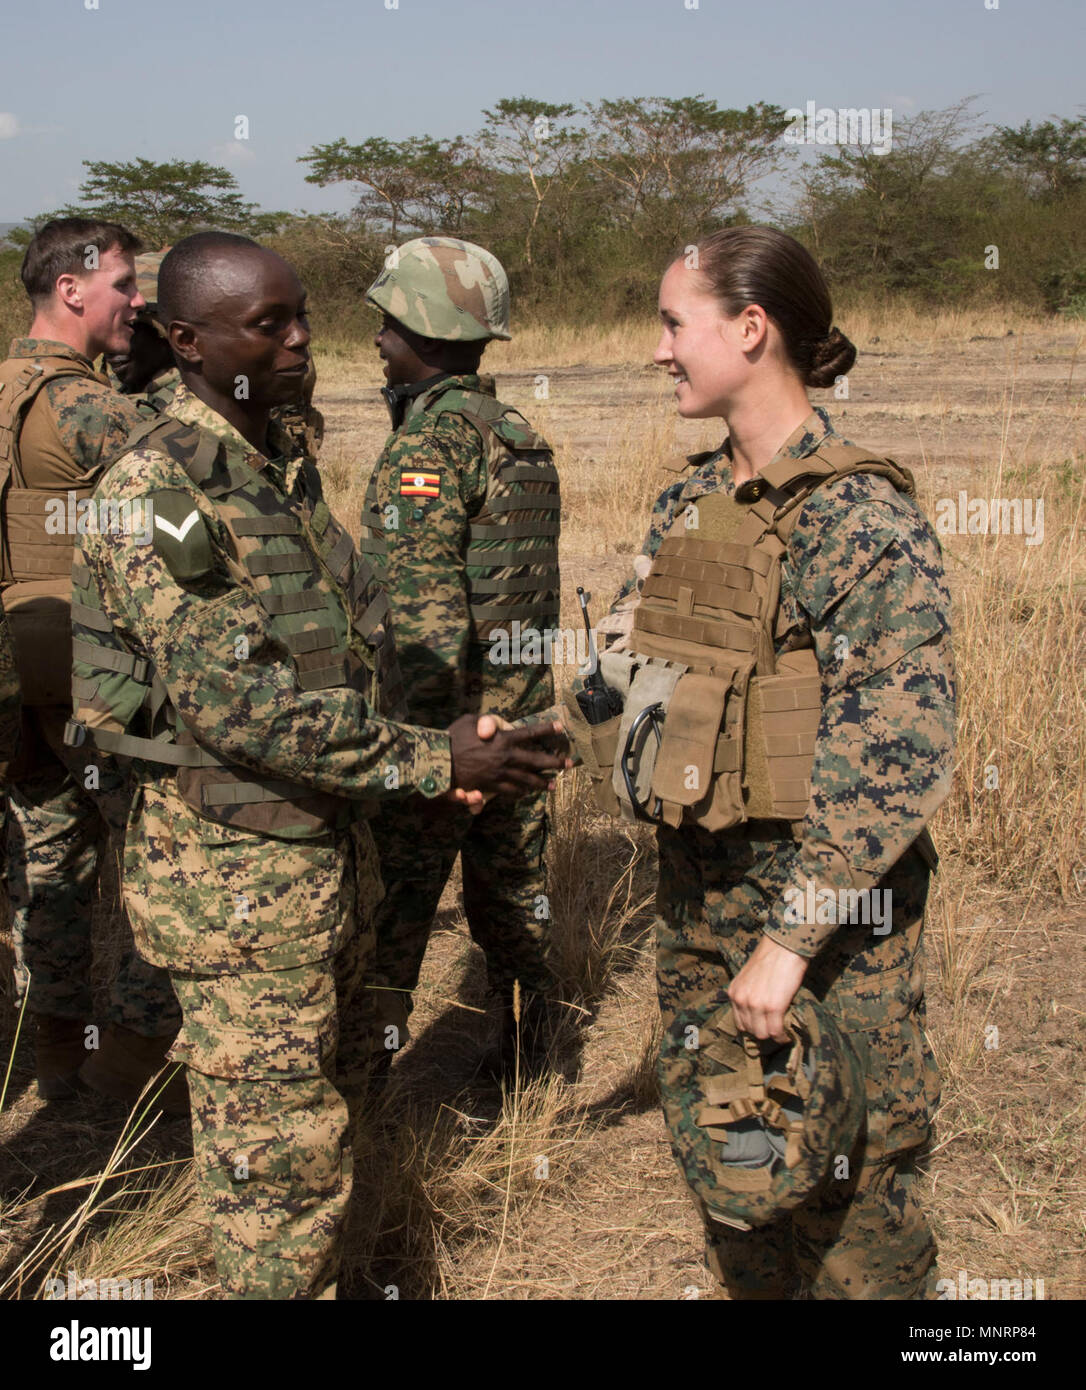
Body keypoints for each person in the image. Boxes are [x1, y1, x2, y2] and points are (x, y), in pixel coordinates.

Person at [67, 230, 568, 1298]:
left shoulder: (275, 466)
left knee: (330, 1133)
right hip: (239, 889)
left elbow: (358, 642)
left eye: (302, 317)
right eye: (269, 325)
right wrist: (433, 757)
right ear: (188, 339)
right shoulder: (157, 492)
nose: (301, 341)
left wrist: (460, 739)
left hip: (326, 867)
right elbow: (238, 703)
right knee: (279, 1197)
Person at [564, 226, 956, 1298]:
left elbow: (897, 748)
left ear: (750, 328)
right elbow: (653, 703)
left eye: (672, 323)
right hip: (698, 914)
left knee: (855, 1213)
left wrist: (789, 942)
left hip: (828, 937)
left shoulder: (858, 516)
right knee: (738, 1176)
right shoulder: (686, 506)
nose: (656, 352)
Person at [359, 237, 561, 1077]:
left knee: (390, 916)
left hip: (449, 729)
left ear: (420, 328)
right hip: (521, 719)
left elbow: (426, 615)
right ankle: (528, 1058)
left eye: (385, 321)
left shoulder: (428, 449)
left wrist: (435, 748)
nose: (375, 339)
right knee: (513, 904)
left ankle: (360, 1079)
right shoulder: (517, 434)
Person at [0, 218, 182, 1104]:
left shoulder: (6, 386)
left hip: (17, 673)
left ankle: (57, 1053)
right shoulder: (84, 405)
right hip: (89, 675)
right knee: (170, 853)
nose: (138, 301)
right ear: (71, 289)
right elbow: (222, 481)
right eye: (124, 285)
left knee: (53, 867)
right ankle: (126, 1064)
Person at [104, 249, 325, 458]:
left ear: (176, 335)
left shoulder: (222, 401)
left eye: (131, 326)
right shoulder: (113, 391)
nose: (114, 343)